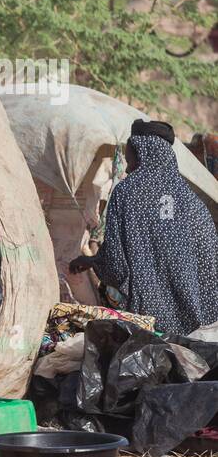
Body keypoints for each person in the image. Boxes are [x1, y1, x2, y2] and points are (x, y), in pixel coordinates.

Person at [70, 119, 218, 334]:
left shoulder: (126, 193)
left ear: (144, 153)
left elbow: (116, 264)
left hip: (148, 323)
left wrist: (92, 261)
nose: (128, 169)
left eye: (130, 160)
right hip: (198, 328)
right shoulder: (192, 202)